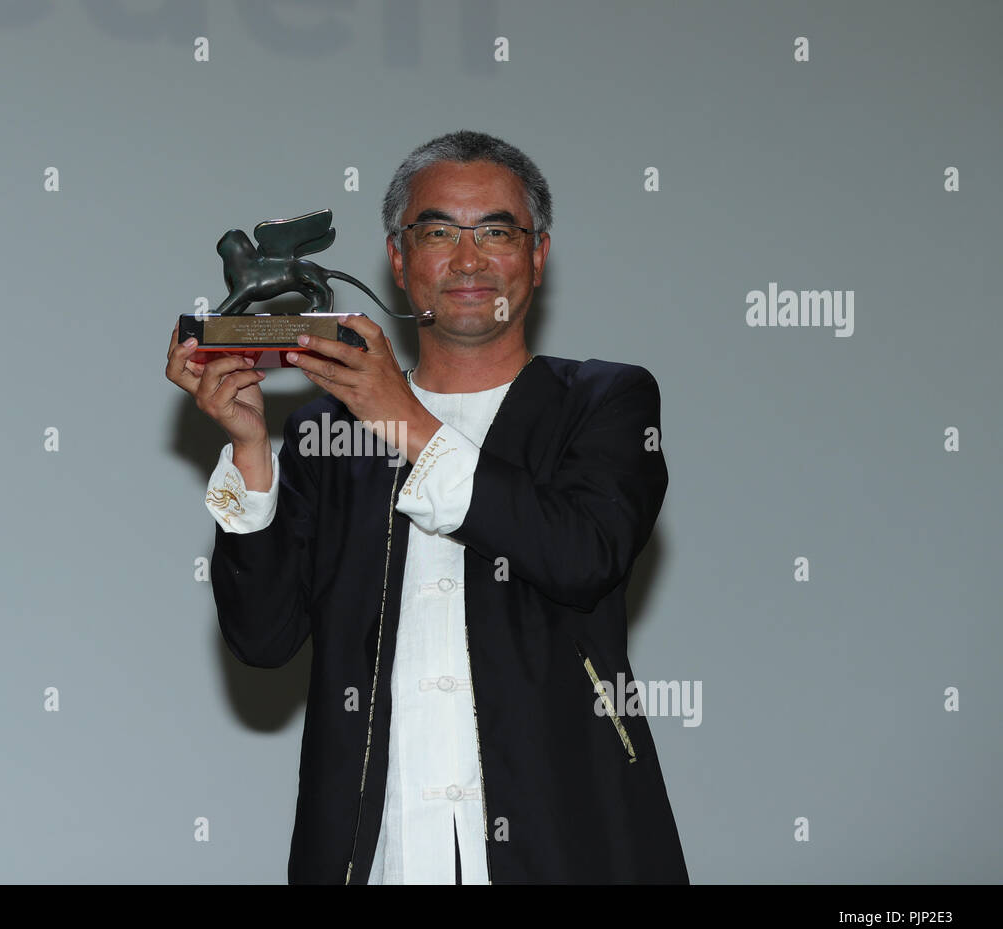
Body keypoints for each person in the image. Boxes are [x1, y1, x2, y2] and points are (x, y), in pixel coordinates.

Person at [166, 130, 689, 885]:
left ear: (537, 256)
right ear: (399, 259)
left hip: (566, 843)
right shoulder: (326, 431)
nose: (469, 260)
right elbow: (264, 638)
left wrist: (400, 414)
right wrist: (252, 451)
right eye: (439, 231)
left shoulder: (604, 401)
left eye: (497, 232)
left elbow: (583, 555)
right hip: (376, 852)